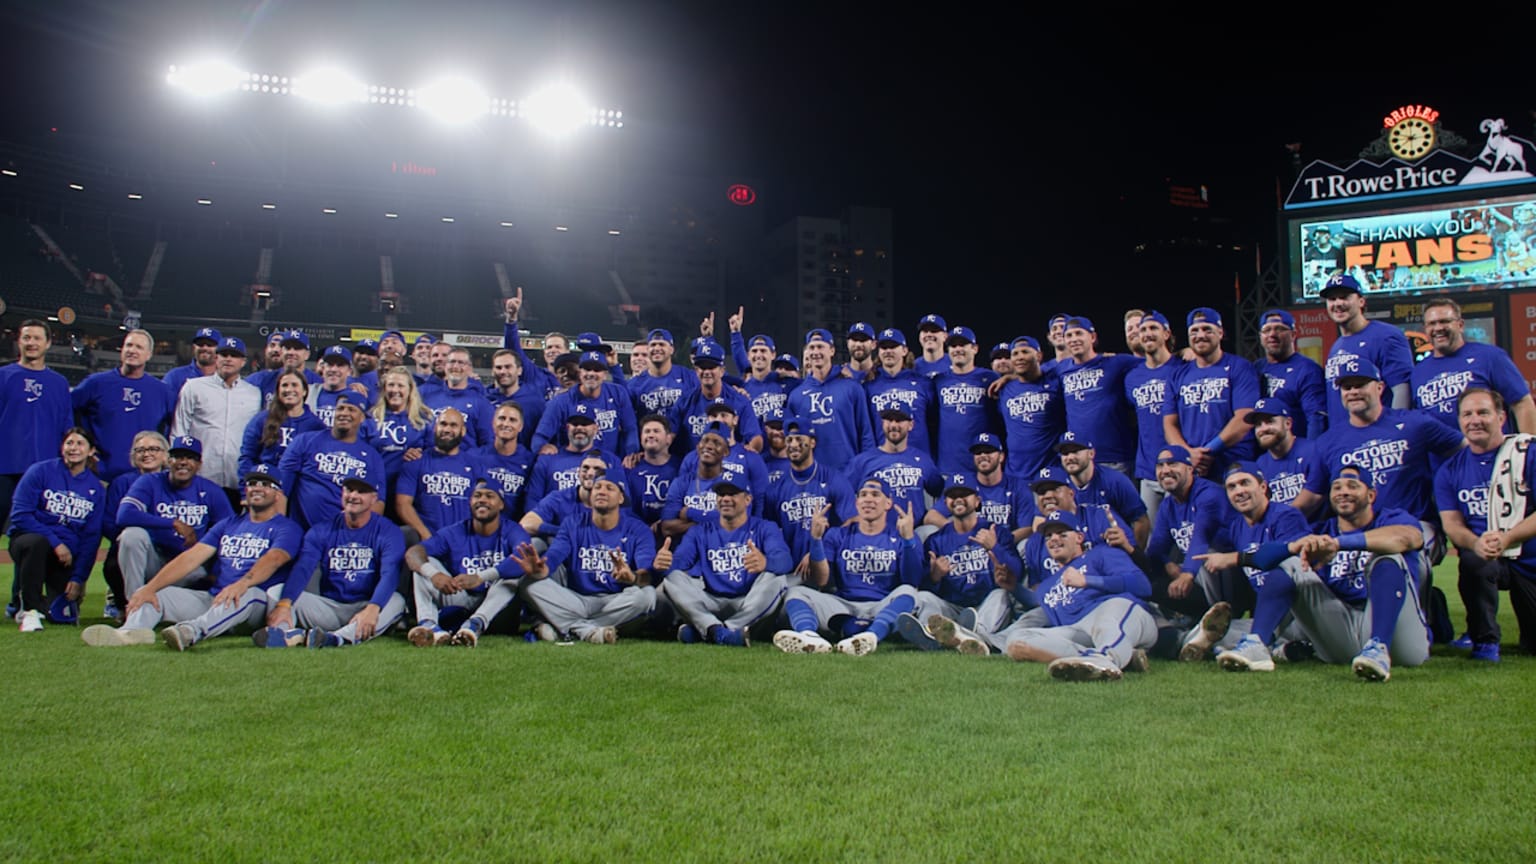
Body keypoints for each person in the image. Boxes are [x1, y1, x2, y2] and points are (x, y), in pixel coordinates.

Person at [1210, 466, 1430, 682]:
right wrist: (1296, 548)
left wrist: (1337, 544)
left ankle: (1379, 648)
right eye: (1337, 487)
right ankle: (1256, 644)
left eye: (1353, 486)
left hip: (1400, 642)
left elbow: (1404, 538)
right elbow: (1275, 556)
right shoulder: (1321, 531)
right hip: (1342, 634)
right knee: (1292, 562)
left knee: (1389, 557)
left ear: (1371, 495)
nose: (1343, 492)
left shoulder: (1393, 518)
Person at [79, 469, 300, 649]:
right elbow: (191, 558)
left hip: (254, 603)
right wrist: (150, 587)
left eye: (266, 484)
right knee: (159, 595)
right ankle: (130, 632)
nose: (258, 488)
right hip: (215, 598)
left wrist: (243, 583)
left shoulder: (287, 528)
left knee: (246, 595)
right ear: (245, 493)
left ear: (278, 494)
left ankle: (192, 631)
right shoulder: (229, 524)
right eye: (253, 483)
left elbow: (274, 559)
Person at [988, 509, 1157, 681]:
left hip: (1125, 615)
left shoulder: (1102, 554)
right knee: (1017, 640)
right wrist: (1013, 587)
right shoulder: (1048, 585)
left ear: (1079, 538)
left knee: (1106, 619)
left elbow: (1143, 586)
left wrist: (1087, 581)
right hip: (1080, 631)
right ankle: (1094, 659)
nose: (1054, 539)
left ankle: (1109, 660)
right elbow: (1036, 602)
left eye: (1062, 534)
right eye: (1049, 536)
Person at [1436, 388, 1535, 660]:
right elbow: (1452, 524)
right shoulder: (1450, 470)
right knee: (1472, 562)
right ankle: (1484, 640)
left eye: (1483, 412)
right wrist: (1476, 543)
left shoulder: (1527, 453)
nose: (1474, 420)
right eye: (1467, 414)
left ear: (1501, 417)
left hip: (1529, 556)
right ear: (1459, 421)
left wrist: (1508, 537)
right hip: (1485, 555)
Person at [504, 477, 665, 644]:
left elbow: (646, 576)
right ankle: (589, 631)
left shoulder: (638, 529)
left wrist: (632, 577)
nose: (602, 491)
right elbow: (554, 557)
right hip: (575, 599)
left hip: (615, 602)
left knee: (647, 595)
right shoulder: (573, 523)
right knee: (528, 582)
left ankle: (571, 629)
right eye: (597, 487)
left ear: (621, 498)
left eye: (609, 488)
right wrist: (540, 570)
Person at [259, 466, 406, 648]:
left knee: (396, 601)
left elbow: (390, 573)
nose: (353, 496)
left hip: (366, 606)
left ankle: (336, 639)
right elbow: (304, 568)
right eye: (349, 489)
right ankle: (284, 634)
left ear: (374, 498)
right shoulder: (322, 529)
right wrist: (284, 604)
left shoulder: (388, 531)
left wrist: (373, 607)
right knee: (277, 591)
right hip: (330, 607)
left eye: (361, 491)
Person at [1317, 359, 1466, 538]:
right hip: (1358, 532)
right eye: (1347, 388)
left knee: (1391, 559)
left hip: (1415, 526)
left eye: (1361, 385)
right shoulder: (1328, 441)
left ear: (1380, 387)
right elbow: (1314, 494)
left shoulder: (1414, 423)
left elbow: (1464, 450)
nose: (1354, 392)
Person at [773, 479, 922, 655]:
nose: (868, 499)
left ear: (888, 503)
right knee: (796, 592)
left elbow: (911, 581)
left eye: (875, 495)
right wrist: (816, 540)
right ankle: (810, 638)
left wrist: (907, 539)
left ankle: (871, 637)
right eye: (863, 495)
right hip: (843, 605)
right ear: (856, 502)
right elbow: (822, 580)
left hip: (881, 605)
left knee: (909, 592)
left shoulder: (901, 535)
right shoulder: (838, 535)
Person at [1190, 462, 1313, 647]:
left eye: (1245, 483)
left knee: (1221, 638)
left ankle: (1281, 644)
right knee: (1206, 631)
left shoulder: (1287, 516)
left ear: (1263, 487)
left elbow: (1293, 562)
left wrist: (1232, 558)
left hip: (1297, 610)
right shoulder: (1237, 526)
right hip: (1267, 613)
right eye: (1232, 487)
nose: (1239, 491)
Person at [404, 478, 532, 646]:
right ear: (470, 501)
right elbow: (413, 552)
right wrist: (433, 574)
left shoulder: (513, 530)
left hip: (497, 610)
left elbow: (524, 559)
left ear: (501, 504)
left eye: (489, 496)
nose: (482, 500)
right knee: (425, 564)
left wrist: (480, 577)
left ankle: (475, 625)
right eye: (477, 495)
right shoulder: (455, 531)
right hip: (461, 600)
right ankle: (429, 627)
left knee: (514, 571)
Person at [664, 480, 792, 646]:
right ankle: (715, 629)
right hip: (711, 602)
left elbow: (786, 562)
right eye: (721, 494)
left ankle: (714, 630)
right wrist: (666, 563)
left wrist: (765, 562)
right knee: (673, 578)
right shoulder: (700, 530)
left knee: (777, 579)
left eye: (732, 494)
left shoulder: (765, 527)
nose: (725, 499)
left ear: (747, 500)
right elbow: (680, 563)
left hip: (748, 602)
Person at [906, 477, 1024, 652]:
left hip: (985, 606)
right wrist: (935, 576)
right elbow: (927, 586)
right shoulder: (936, 540)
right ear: (946, 503)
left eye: (964, 494)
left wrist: (995, 547)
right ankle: (932, 636)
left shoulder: (995, 531)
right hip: (953, 608)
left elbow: (1017, 573)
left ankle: (973, 637)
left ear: (977, 501)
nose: (958, 499)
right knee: (923, 597)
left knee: (1001, 595)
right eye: (953, 495)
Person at [115, 435, 234, 602]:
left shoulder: (212, 491)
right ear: (168, 460)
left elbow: (230, 534)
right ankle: (134, 604)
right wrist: (172, 523)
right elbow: (124, 515)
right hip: (154, 560)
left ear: (199, 464)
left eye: (190, 458)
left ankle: (163, 603)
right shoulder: (149, 482)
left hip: (188, 567)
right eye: (178, 457)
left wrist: (215, 572)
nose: (183, 462)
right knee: (132, 535)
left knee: (198, 573)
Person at [8, 428, 103, 632]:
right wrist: (56, 542)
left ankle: (33, 603)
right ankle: (30, 611)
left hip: (65, 557)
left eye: (80, 443)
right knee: (36, 544)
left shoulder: (96, 488)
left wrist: (78, 578)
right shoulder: (40, 471)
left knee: (61, 616)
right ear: (62, 447)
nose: (73, 448)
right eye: (69, 443)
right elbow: (20, 515)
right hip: (29, 541)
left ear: (90, 451)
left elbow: (91, 537)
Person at [1162, 307, 1260, 479]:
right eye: (1194, 330)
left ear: (1220, 333)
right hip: (1193, 467)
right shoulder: (1177, 374)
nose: (1200, 335)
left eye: (1207, 329)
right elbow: (1169, 423)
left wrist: (1208, 452)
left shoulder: (1240, 367)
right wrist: (1188, 454)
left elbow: (1245, 417)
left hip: (1234, 465)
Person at [1412, 297, 1536, 433]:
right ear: (1425, 329)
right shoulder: (1418, 373)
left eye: (1445, 321)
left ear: (1460, 325)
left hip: (1493, 452)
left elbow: (1522, 403)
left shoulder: (1490, 356)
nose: (1438, 328)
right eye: (1432, 323)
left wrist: (1528, 449)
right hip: (1444, 454)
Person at [1144, 445, 1235, 621]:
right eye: (1160, 466)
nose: (1165, 471)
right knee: (1146, 577)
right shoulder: (1168, 505)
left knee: (1206, 557)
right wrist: (1168, 564)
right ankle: (1183, 624)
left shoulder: (1209, 494)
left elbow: (1201, 538)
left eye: (1172, 464)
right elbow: (1156, 550)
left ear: (1190, 469)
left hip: (1233, 573)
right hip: (1198, 575)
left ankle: (1222, 618)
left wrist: (1187, 573)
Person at [0, 319, 72, 538]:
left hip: (44, 472)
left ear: (48, 343)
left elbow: (66, 428)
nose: (31, 343)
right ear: (19, 342)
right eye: (26, 338)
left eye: (37, 338)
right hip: (4, 468)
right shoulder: (3, 376)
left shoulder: (59, 383)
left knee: (36, 537)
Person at [71, 328, 173, 481]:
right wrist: (83, 448)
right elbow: (66, 411)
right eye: (129, 345)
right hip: (100, 475)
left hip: (144, 476)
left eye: (139, 347)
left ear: (149, 355)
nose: (132, 350)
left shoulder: (162, 391)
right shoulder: (96, 383)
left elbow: (173, 428)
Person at [277, 392, 386, 530]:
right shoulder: (304, 441)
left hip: (345, 533)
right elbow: (280, 490)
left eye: (351, 410)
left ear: (362, 418)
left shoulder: (372, 456)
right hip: (302, 530)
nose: (344, 413)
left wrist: (358, 532)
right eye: (340, 408)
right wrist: (280, 529)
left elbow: (378, 502)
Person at [1321, 274, 1414, 429]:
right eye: (1332, 299)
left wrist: (1396, 432)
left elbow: (1402, 389)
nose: (1338, 303)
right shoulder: (1336, 346)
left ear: (1361, 301)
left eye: (1344, 297)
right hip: (1344, 438)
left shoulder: (1385, 335)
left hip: (1377, 439)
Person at [172, 336, 260, 497]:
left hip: (236, 476)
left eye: (234, 355)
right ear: (216, 357)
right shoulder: (194, 387)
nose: (228, 359)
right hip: (201, 475)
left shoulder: (254, 394)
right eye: (224, 354)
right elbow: (179, 429)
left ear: (243, 361)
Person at [763, 420, 854, 574]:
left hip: (829, 568)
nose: (793, 445)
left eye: (799, 439)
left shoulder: (833, 479)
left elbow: (853, 521)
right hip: (791, 571)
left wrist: (818, 548)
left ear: (812, 442)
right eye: (789, 440)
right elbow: (768, 532)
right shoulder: (776, 488)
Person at [1056, 315, 1140, 475]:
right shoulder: (1061, 369)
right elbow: (1034, 375)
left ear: (1092, 337)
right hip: (1080, 458)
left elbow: (1156, 362)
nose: (1074, 339)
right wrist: (1009, 377)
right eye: (1069, 335)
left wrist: (1183, 352)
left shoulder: (1116, 362)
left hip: (1116, 459)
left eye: (1079, 333)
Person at [101, 430, 171, 620]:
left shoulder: (174, 481)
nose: (146, 454)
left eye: (153, 449)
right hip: (129, 544)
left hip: (167, 548)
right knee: (116, 561)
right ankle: (128, 606)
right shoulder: (121, 483)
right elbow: (108, 520)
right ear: (133, 456)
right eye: (140, 450)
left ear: (165, 455)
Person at [844, 406, 944, 532]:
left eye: (899, 420)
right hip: (877, 533)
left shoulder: (922, 459)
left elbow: (939, 490)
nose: (893, 425)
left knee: (930, 531)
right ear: (882, 424)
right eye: (889, 420)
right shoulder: (863, 461)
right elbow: (842, 494)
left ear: (910, 425)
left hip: (915, 530)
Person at [785, 328, 874, 469]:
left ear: (832, 351)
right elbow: (791, 441)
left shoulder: (852, 387)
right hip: (812, 476)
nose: (816, 352)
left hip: (849, 473)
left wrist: (866, 470)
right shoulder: (796, 396)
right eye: (812, 348)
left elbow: (866, 433)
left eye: (820, 347)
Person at [1123, 311, 1184, 517]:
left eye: (1153, 328)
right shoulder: (1132, 378)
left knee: (1182, 534)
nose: (1147, 334)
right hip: (1148, 468)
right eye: (1142, 330)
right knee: (1152, 540)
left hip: (1179, 464)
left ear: (1166, 334)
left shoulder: (1182, 368)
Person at [533, 350, 638, 458]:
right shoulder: (561, 401)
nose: (591, 374)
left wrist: (631, 453)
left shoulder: (617, 393)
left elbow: (630, 428)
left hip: (608, 463)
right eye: (587, 369)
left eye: (597, 370)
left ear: (605, 375)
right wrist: (543, 447)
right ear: (580, 373)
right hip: (573, 464)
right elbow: (540, 436)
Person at [395, 407, 478, 542]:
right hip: (426, 539)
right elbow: (402, 504)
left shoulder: (474, 465)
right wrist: (426, 536)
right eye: (443, 424)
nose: (446, 430)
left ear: (463, 431)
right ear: (435, 428)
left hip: (463, 541)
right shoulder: (416, 461)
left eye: (453, 425)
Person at [1055, 432, 1150, 548]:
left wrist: (1134, 554)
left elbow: (1141, 521)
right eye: (1065, 453)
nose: (1070, 457)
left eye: (1075, 451)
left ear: (1091, 453)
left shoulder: (1115, 481)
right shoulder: (1058, 486)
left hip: (1112, 550)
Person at [931, 325, 1000, 478]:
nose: (957, 349)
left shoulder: (990, 378)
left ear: (975, 348)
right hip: (947, 465)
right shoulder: (939, 380)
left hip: (982, 465)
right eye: (953, 346)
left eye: (963, 344)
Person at [669, 341, 762, 454]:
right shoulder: (685, 400)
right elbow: (669, 436)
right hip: (694, 464)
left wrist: (742, 458)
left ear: (722, 371)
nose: (707, 372)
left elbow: (756, 439)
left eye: (711, 367)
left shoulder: (738, 399)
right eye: (702, 367)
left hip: (729, 464)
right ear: (696, 371)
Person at [995, 335, 1065, 478]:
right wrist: (1008, 377)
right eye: (1015, 354)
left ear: (1038, 356)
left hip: (1052, 472)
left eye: (1025, 352)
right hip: (1015, 474)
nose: (1020, 357)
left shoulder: (1055, 381)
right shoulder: (1004, 389)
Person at [1251, 309, 1327, 438]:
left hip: (1294, 450)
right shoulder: (1256, 368)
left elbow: (1316, 417)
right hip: (1263, 450)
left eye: (1280, 329)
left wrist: (1311, 453)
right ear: (1260, 336)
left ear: (1293, 334)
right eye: (1266, 330)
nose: (1272, 334)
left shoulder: (1308, 369)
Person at [863, 327, 936, 460]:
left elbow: (934, 422)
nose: (888, 351)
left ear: (904, 350)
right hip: (883, 460)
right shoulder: (869, 387)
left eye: (893, 346)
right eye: (884, 348)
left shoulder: (923, 383)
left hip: (919, 460)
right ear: (878, 352)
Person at [367, 367, 436, 507]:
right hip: (375, 489)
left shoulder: (425, 419)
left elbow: (434, 452)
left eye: (400, 385)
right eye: (391, 385)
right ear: (384, 389)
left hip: (410, 493)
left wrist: (420, 454)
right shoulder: (370, 417)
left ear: (410, 389)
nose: (395, 390)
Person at [1248, 399, 1326, 521]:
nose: (1263, 429)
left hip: (1316, 531)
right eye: (1258, 424)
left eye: (1270, 422)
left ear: (1288, 424)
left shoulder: (1313, 450)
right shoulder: (1260, 464)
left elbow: (1314, 497)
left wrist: (1280, 522)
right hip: (1280, 534)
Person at [239, 370, 325, 480]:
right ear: (278, 391)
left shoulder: (316, 426)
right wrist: (244, 491)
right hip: (264, 485)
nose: (289, 390)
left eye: (294, 385)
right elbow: (247, 457)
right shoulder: (261, 420)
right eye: (284, 385)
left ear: (304, 391)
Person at [472, 402, 537, 519]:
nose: (506, 424)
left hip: (514, 529)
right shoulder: (474, 457)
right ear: (493, 423)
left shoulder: (530, 461)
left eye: (512, 420)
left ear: (520, 427)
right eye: (502, 418)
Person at [420, 346, 494, 447]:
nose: (455, 366)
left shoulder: (481, 403)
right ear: (446, 366)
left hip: (466, 461)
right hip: (431, 459)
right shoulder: (428, 398)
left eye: (461, 363)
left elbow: (488, 443)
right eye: (452, 361)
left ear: (469, 368)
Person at [624, 414, 681, 527]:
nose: (650, 435)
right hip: (638, 531)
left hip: (673, 529)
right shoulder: (630, 468)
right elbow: (626, 509)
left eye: (656, 431)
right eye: (647, 431)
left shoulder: (680, 467)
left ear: (668, 439)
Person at [628, 327, 698, 416]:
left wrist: (708, 339)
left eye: (661, 344)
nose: (657, 348)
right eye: (653, 345)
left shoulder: (687, 376)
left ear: (671, 349)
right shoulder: (635, 384)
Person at [486, 348, 545, 448]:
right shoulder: (484, 399)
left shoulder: (535, 402)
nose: (503, 371)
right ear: (493, 371)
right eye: (498, 368)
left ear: (519, 371)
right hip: (488, 458)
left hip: (524, 459)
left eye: (508, 367)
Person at [161, 326, 221, 402]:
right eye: (200, 344)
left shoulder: (226, 378)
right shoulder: (175, 376)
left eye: (210, 345)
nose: (205, 348)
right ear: (194, 347)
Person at [912, 313, 950, 378]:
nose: (929, 334)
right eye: (925, 331)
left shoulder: (955, 364)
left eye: (934, 331)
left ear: (945, 336)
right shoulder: (913, 368)